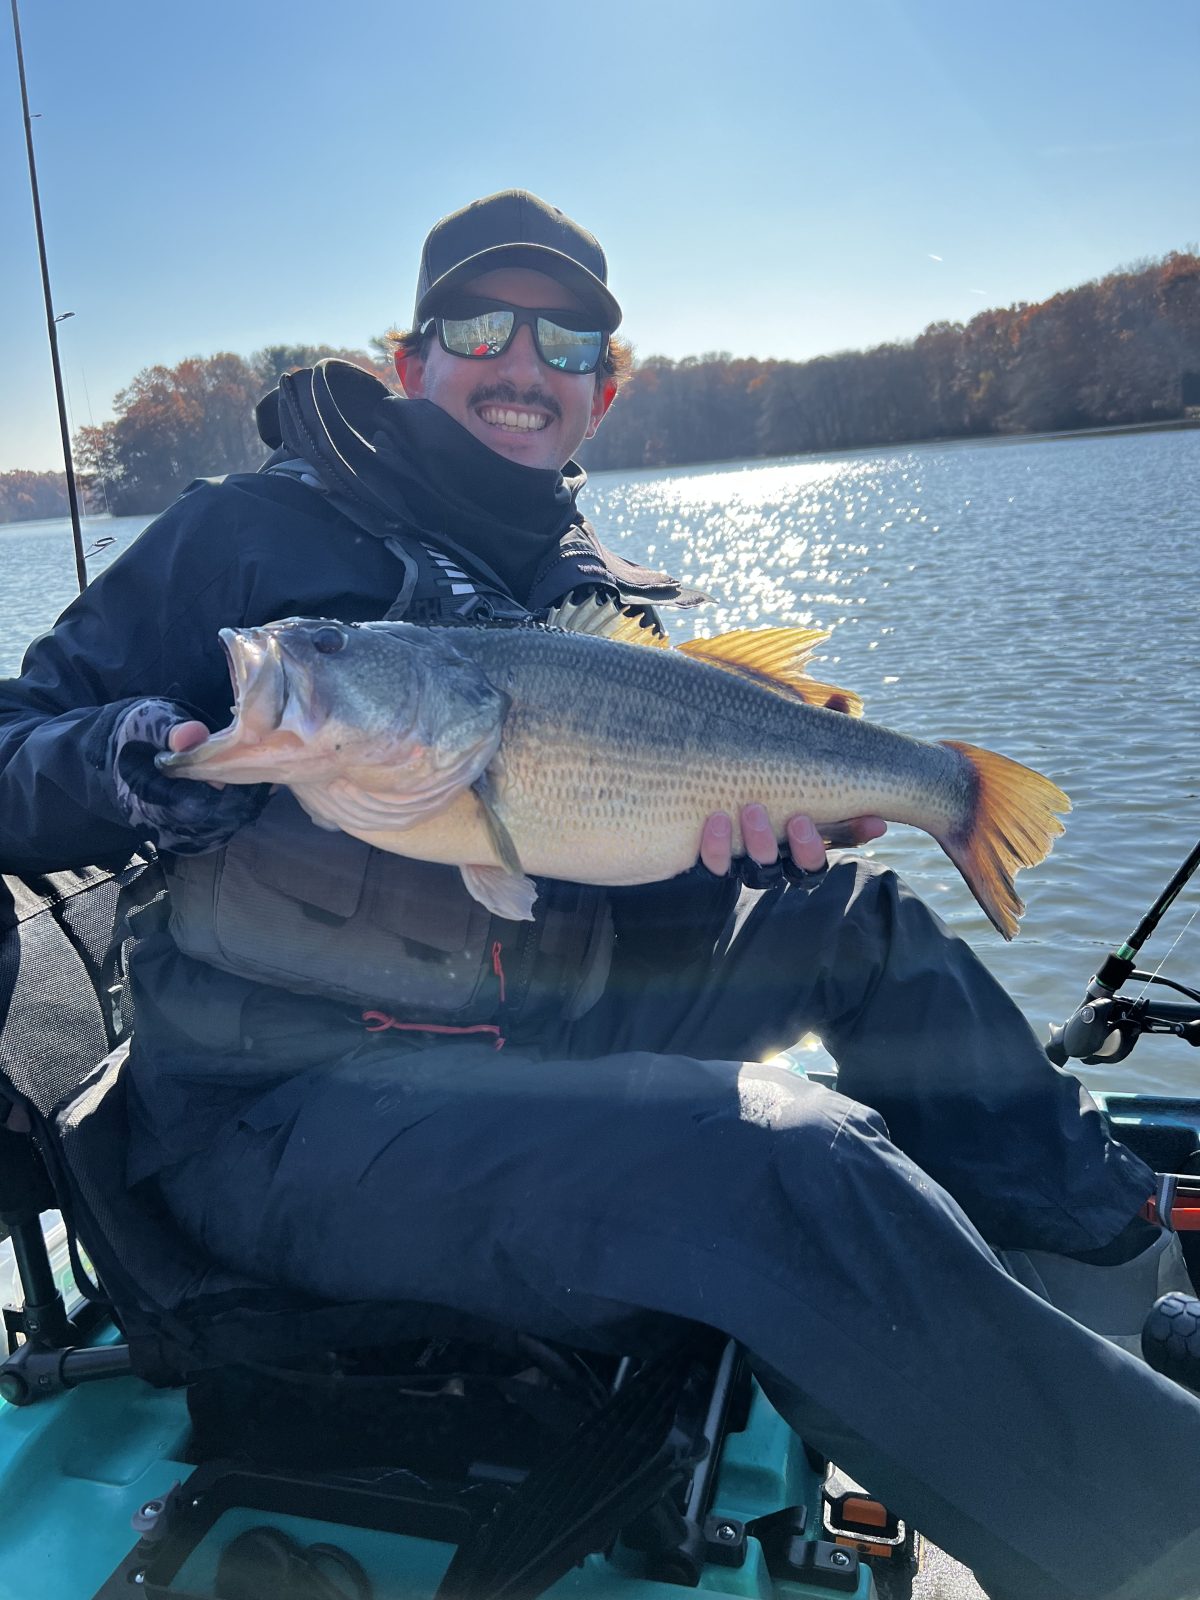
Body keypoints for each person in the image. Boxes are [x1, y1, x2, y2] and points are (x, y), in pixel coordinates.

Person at [1, 189, 1198, 1600]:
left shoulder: (592, 598)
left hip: (521, 1053)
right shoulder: (244, 547)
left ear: (603, 389)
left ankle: (1126, 1274)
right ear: (412, 357)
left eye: (566, 340)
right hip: (275, 1124)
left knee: (857, 928)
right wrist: (133, 761)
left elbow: (594, 901)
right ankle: (1162, 1543)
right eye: (479, 325)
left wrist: (726, 860)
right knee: (785, 1160)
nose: (523, 362)